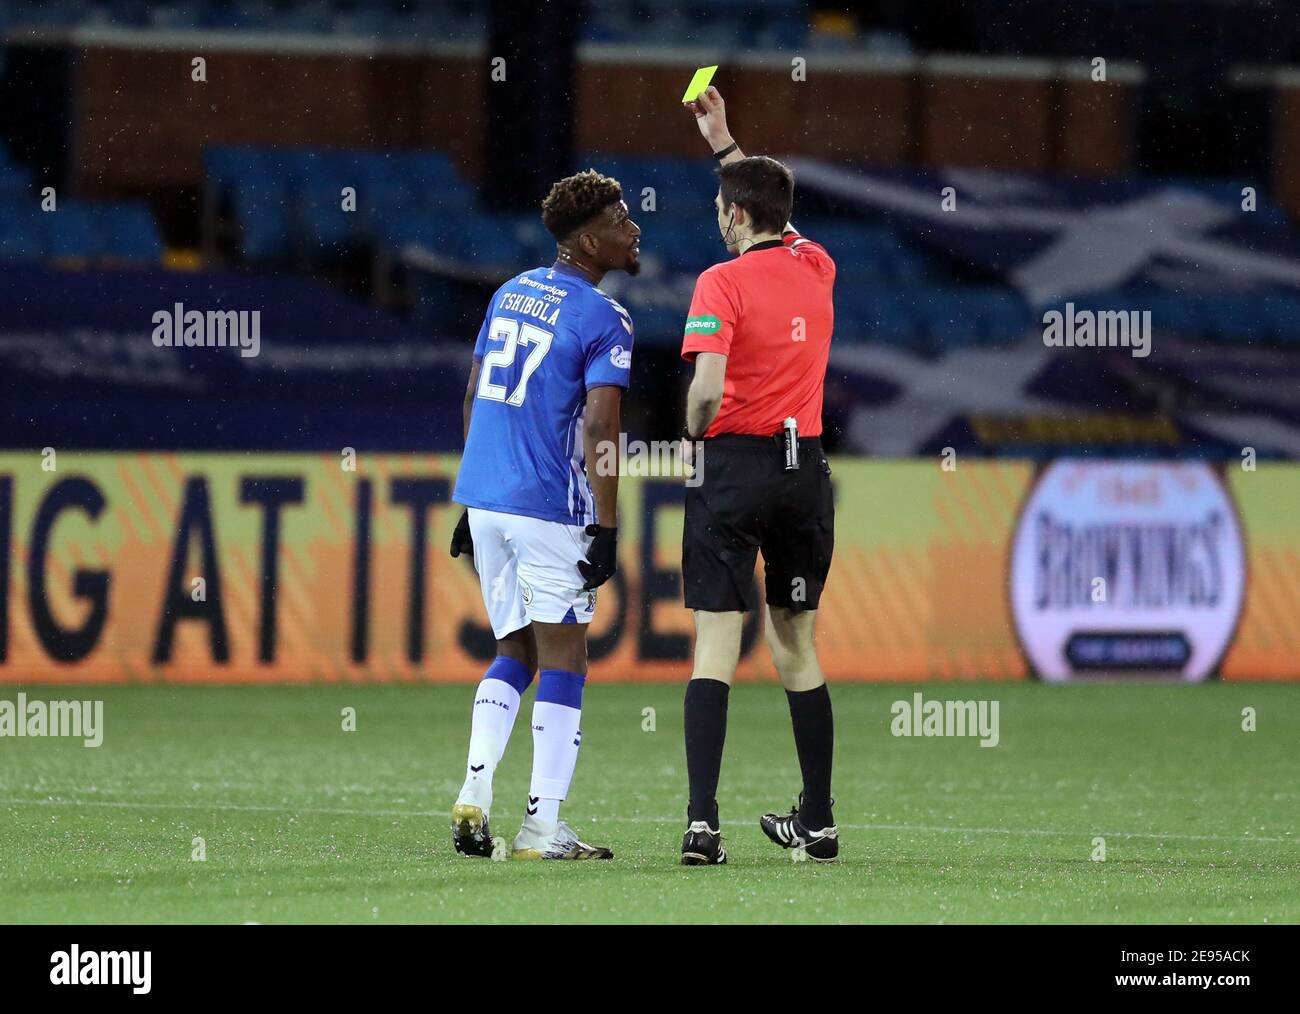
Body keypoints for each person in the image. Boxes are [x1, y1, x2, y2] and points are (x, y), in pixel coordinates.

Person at [447, 169, 640, 860]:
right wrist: (609, 526)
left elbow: (475, 396)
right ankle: (540, 828)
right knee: (567, 656)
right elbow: (601, 428)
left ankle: (474, 791)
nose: (634, 226)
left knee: (514, 651)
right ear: (588, 240)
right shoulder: (604, 317)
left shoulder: (509, 291)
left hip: (489, 499)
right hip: (549, 504)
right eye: (620, 218)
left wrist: (471, 498)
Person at [677, 87, 839, 865]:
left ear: (735, 218)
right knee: (797, 645)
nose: (720, 213)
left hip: (734, 463)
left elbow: (706, 387)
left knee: (716, 641)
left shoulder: (720, 282)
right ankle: (820, 820)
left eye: (723, 204)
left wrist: (691, 433)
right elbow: (773, 208)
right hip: (802, 468)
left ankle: (703, 824)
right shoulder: (818, 267)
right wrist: (727, 146)